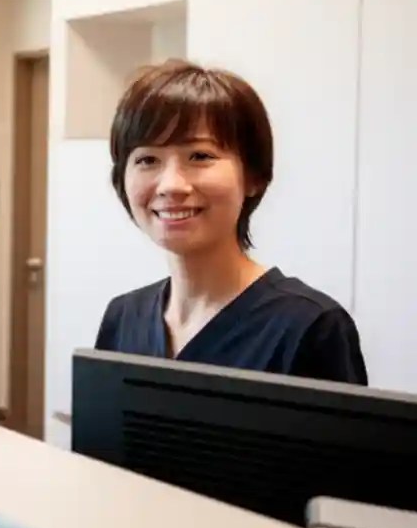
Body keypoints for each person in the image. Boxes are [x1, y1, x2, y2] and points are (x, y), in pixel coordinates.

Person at [95, 60, 367, 384]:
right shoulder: (123, 318)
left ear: (253, 176)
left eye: (200, 156)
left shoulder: (309, 327)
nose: (171, 185)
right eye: (147, 160)